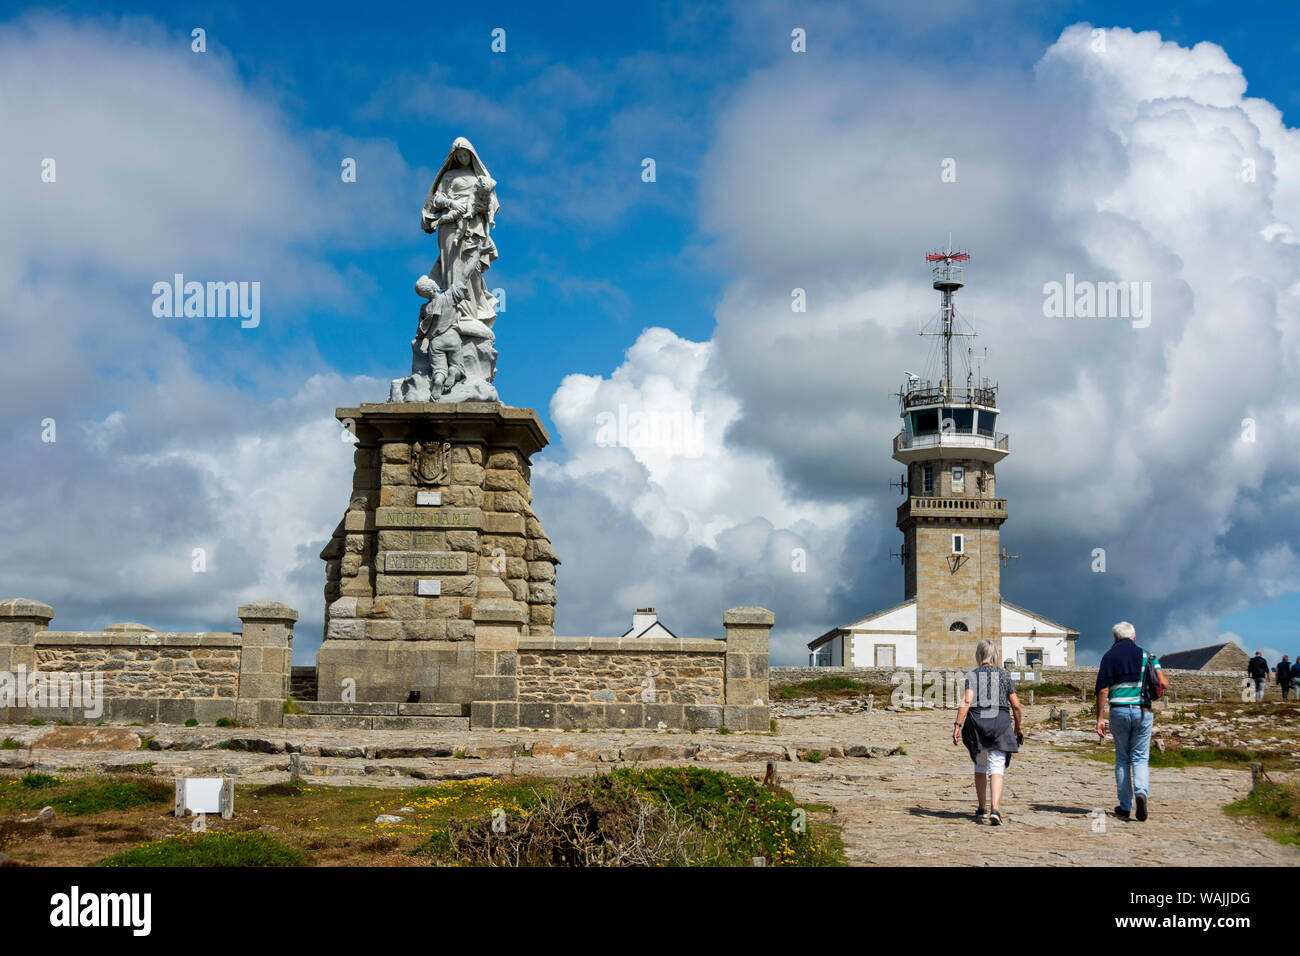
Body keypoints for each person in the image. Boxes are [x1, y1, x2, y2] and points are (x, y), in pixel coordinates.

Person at [1095, 622, 1169, 821]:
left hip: (1118, 710)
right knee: (1140, 757)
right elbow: (1164, 682)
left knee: (1122, 758)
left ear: (1115, 638)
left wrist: (1100, 718)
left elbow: (1103, 690)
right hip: (1143, 710)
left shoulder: (1109, 657)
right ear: (1134, 637)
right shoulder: (1148, 656)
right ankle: (1141, 792)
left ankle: (1125, 805)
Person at [953, 638, 1023, 825]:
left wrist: (958, 725)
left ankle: (981, 808)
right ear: (995, 655)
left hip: (977, 722)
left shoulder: (973, 675)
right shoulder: (1005, 675)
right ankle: (995, 809)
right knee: (997, 765)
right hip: (1000, 721)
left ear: (979, 655)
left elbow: (967, 702)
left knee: (981, 764)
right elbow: (1016, 705)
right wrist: (1018, 727)